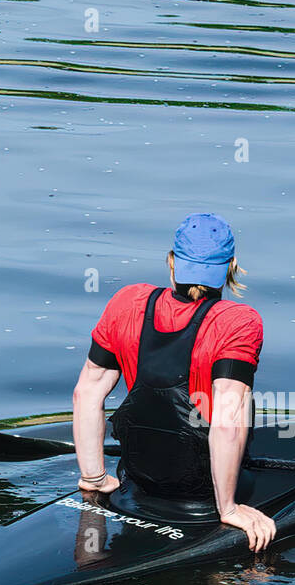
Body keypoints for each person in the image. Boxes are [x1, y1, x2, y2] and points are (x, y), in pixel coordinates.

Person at [71, 214, 277, 552]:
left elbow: (86, 394)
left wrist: (94, 479)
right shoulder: (238, 322)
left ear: (171, 261)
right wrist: (229, 508)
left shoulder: (128, 301)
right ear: (232, 266)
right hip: (200, 492)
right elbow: (226, 423)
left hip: (138, 476)